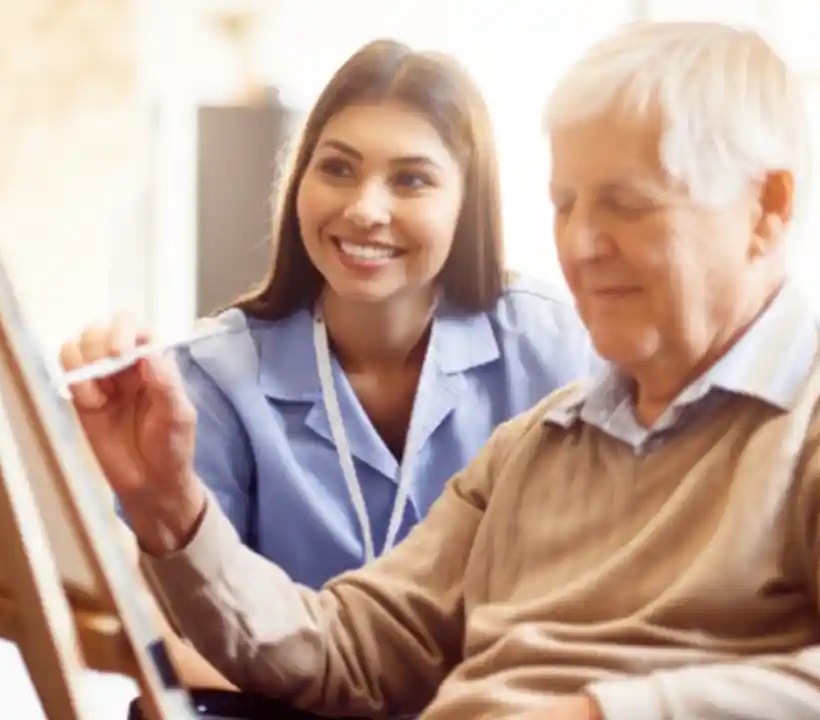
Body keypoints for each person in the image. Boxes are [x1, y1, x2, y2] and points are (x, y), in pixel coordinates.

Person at [91, 22, 820, 720]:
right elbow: (347, 650)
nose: (580, 244)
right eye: (565, 203)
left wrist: (598, 713)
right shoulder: (538, 445)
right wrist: (173, 512)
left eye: (626, 204)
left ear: (768, 208)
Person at [60, 39, 598, 588]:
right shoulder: (213, 379)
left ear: (468, 203)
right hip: (269, 679)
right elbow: (182, 621)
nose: (364, 209)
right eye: (337, 168)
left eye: (411, 179)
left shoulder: (556, 348)